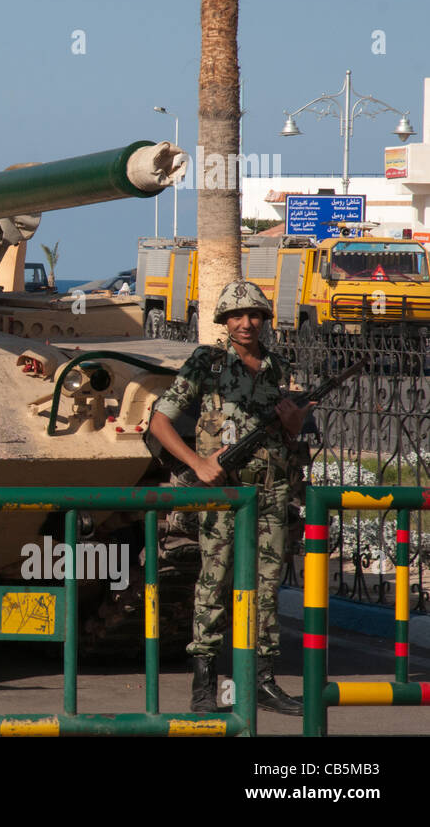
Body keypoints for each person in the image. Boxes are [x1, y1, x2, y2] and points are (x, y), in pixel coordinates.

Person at [148, 280, 311, 716]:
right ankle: (205, 684)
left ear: (264, 320)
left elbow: (291, 437)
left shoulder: (276, 366)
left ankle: (262, 682)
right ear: (223, 320)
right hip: (223, 491)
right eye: (236, 316)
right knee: (213, 583)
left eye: (254, 315)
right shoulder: (209, 362)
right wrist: (197, 464)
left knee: (266, 587)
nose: (246, 323)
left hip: (271, 491)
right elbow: (160, 420)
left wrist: (294, 425)